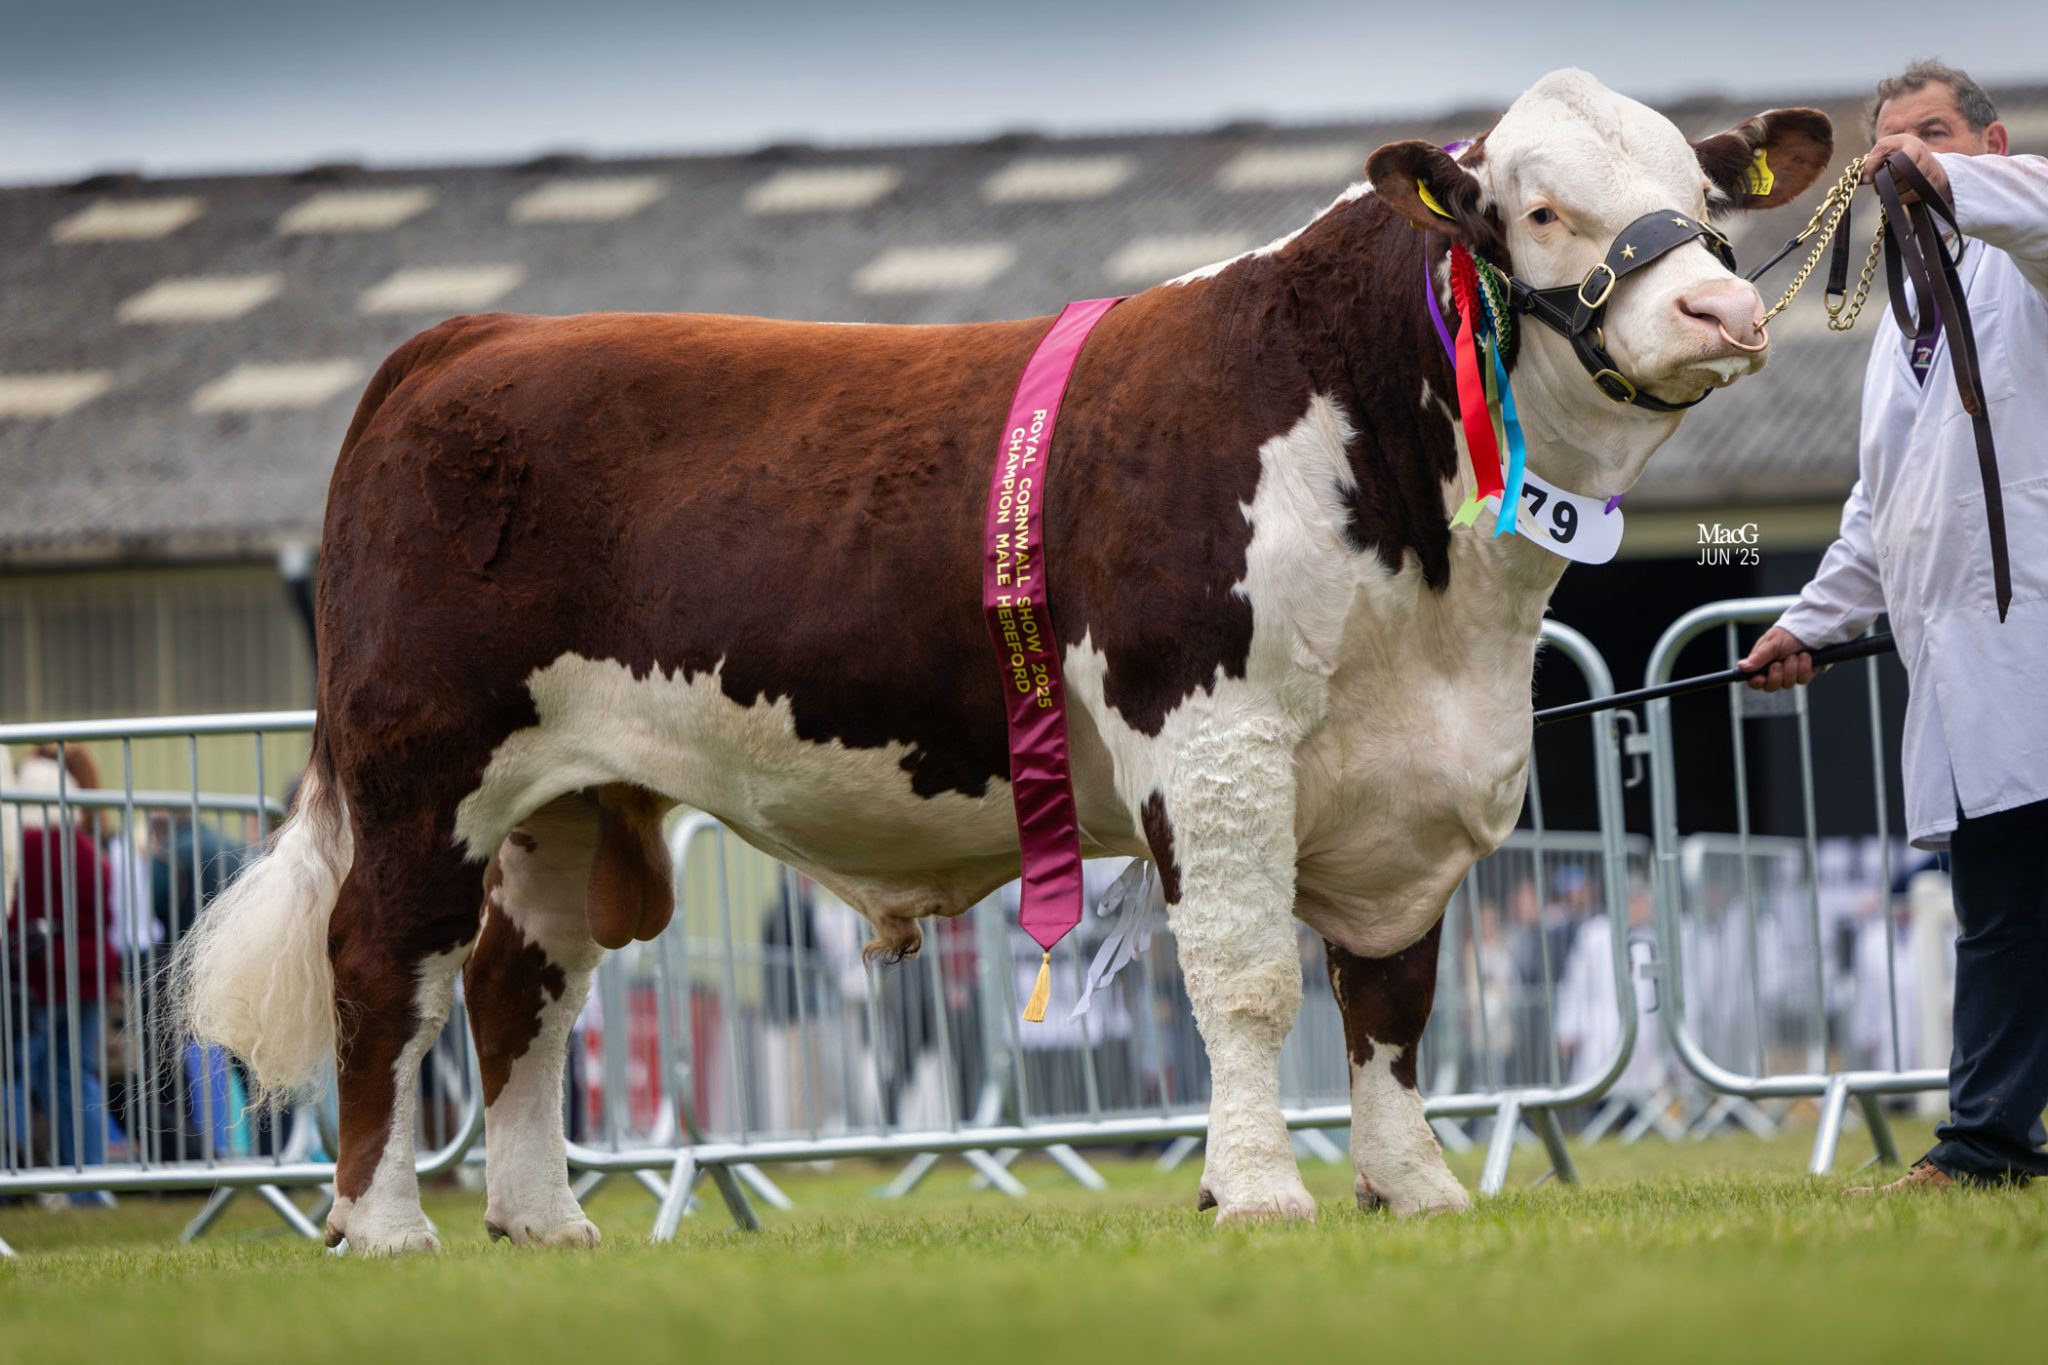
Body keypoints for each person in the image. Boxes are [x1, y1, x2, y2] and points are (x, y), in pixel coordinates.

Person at [1740, 60, 2048, 1191]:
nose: (1905, 159)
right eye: (1890, 146)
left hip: (2029, 642)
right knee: (2001, 916)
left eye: (1934, 134)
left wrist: (1941, 175)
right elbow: (1883, 507)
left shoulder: (2025, 262)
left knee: (2010, 916)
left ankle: (1982, 1140)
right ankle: (1986, 1142)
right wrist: (1806, 624)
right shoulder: (1903, 320)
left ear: (1992, 140)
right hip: (1971, 666)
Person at [5, 748, 123, 1202]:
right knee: (79, 1075)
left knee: (16, 1074)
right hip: (88, 979)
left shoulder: (25, 848)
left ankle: (14, 1180)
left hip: (35, 980)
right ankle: (88, 1184)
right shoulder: (88, 849)